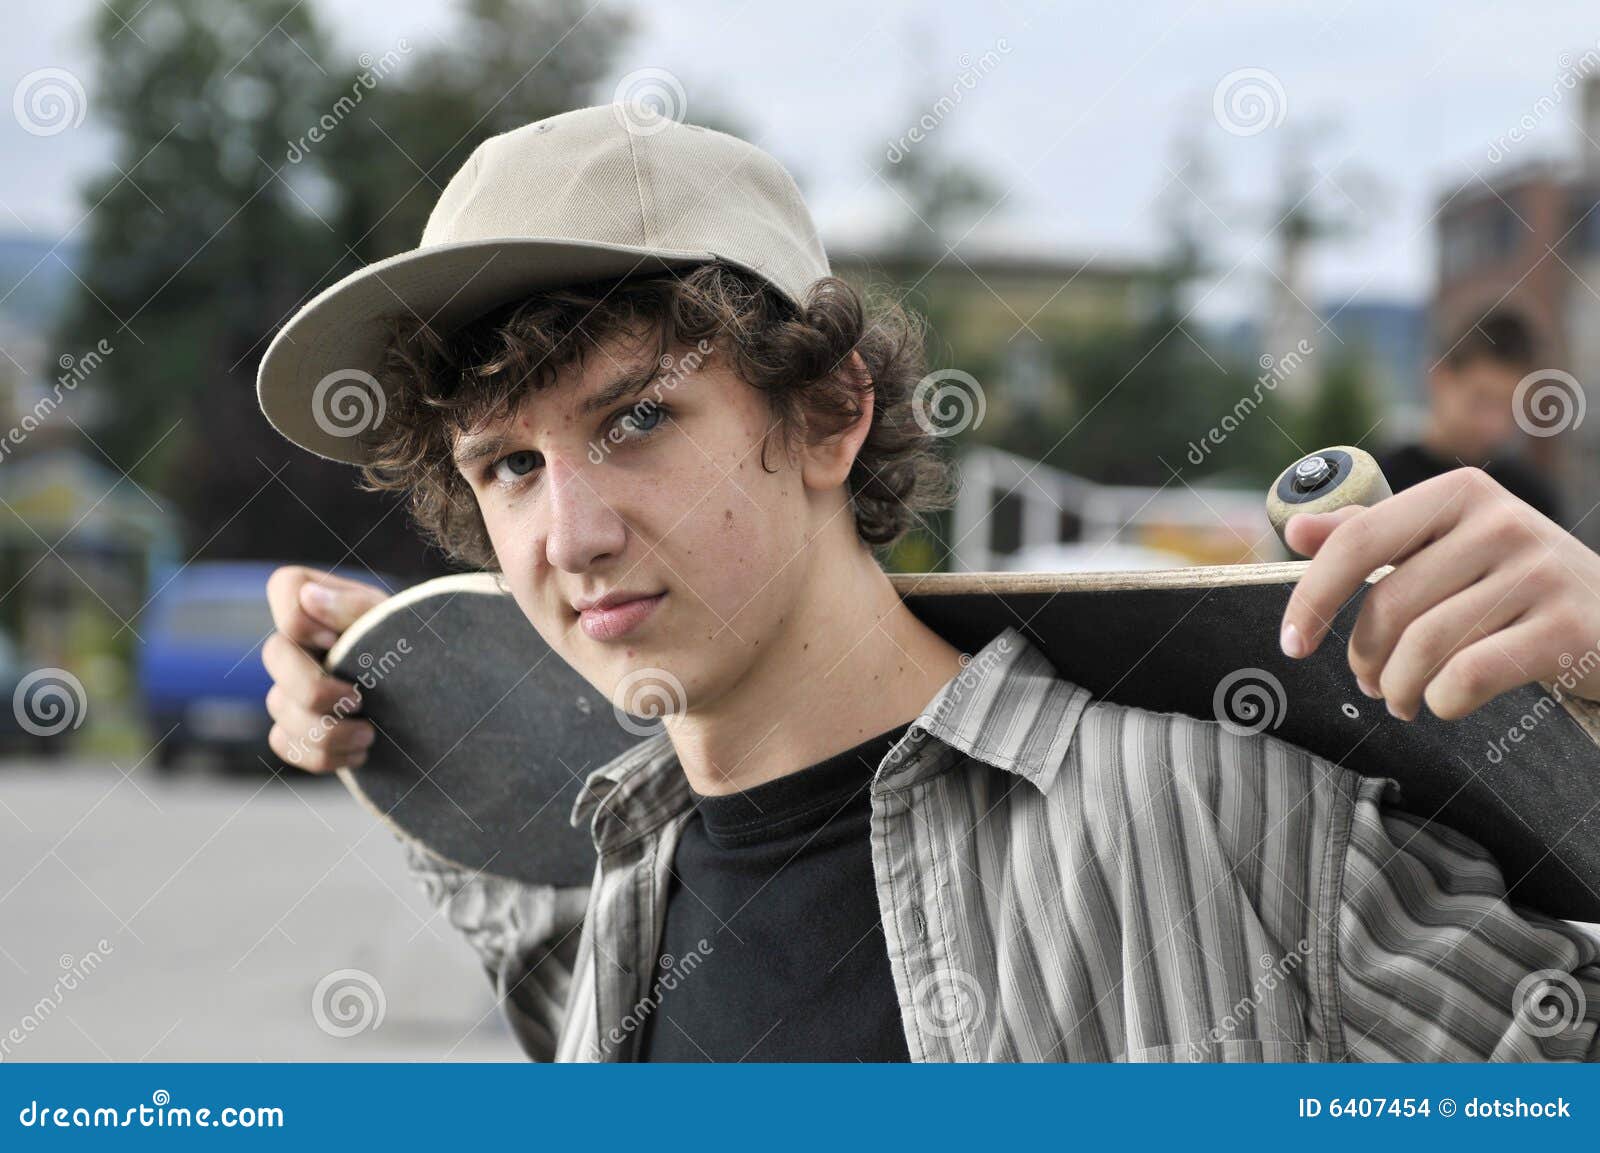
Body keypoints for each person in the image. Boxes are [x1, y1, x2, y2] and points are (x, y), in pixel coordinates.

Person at [257, 104, 1600, 1062]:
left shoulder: (1214, 820)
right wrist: (393, 686)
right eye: (508, 467)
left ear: (829, 413)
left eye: (638, 421)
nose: (571, 534)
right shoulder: (616, 899)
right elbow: (506, 864)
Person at [1379, 310, 1564, 524]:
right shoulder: (1380, 482)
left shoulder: (1533, 499)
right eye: (1482, 401)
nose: (1495, 426)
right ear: (1439, 378)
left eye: (1512, 409)